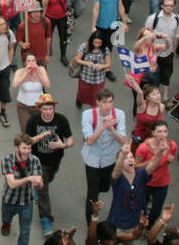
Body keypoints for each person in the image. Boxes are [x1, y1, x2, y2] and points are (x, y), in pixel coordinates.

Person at [26, 92, 74, 234]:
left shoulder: (61, 120)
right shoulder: (33, 121)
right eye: (45, 109)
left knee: (49, 180)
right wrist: (39, 137)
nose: (48, 112)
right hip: (38, 162)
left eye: (50, 108)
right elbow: (27, 141)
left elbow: (70, 139)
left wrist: (63, 145)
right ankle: (45, 220)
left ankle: (37, 188)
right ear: (40, 109)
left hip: (55, 160)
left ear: (54, 108)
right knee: (44, 192)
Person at [81, 90, 129, 224]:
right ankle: (90, 223)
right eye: (104, 102)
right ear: (97, 102)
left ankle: (93, 188)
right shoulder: (88, 115)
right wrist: (102, 127)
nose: (108, 106)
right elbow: (89, 140)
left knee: (105, 187)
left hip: (109, 159)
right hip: (92, 159)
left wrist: (112, 129)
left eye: (110, 102)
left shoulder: (119, 114)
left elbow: (124, 140)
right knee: (93, 195)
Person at [1, 134, 44, 245]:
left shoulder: (35, 160)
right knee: (6, 217)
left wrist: (38, 184)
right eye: (24, 148)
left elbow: (40, 185)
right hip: (10, 200)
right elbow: (12, 184)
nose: (27, 151)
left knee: (25, 231)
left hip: (26, 201)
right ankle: (6, 223)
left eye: (29, 148)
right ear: (16, 148)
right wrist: (29, 178)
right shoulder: (7, 160)